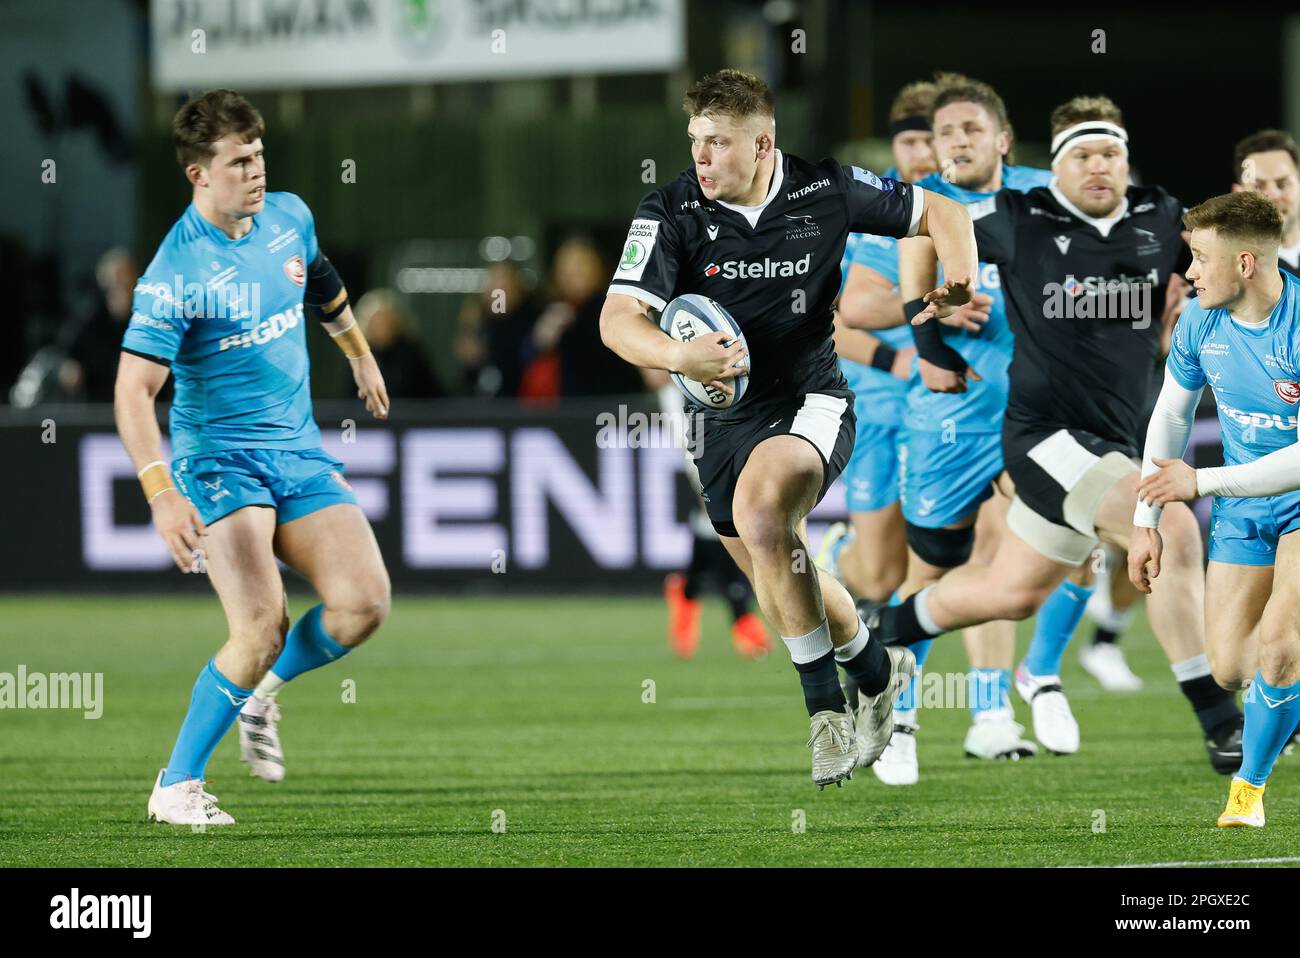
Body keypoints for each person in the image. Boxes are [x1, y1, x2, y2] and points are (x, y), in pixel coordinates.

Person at [600, 69, 978, 788]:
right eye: (695, 142)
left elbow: (944, 214)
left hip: (811, 400)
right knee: (784, 573)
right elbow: (617, 321)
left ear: (763, 143)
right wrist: (678, 353)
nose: (701, 158)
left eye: (717, 143)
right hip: (717, 421)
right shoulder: (671, 209)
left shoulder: (826, 190)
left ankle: (823, 712)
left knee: (766, 510)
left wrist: (957, 277)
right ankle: (873, 669)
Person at [872, 95, 1244, 773]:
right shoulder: (1019, 217)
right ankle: (1220, 719)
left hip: (1119, 440)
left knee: (1009, 594)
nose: (1099, 166)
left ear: (1127, 163)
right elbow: (926, 228)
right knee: (1170, 525)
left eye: (1111, 154)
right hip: (1045, 438)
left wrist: (1189, 313)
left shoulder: (1159, 215)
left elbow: (1225, 271)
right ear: (1057, 166)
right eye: (1083, 154)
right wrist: (926, 335)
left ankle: (879, 633)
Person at [116, 89, 392, 825]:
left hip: (295, 452)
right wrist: (161, 492)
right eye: (238, 162)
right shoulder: (176, 272)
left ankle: (259, 697)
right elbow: (132, 392)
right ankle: (175, 786)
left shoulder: (288, 217)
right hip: (220, 461)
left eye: (259, 155)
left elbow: (324, 283)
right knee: (261, 623)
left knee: (364, 602)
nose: (256, 172)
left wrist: (359, 354)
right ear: (198, 175)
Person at [1136, 192, 1300, 825]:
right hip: (1242, 511)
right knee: (1231, 668)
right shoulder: (1202, 322)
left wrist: (1202, 483)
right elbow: (1171, 417)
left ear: (1248, 263)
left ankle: (1246, 794)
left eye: (1200, 257)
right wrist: (1145, 522)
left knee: (1280, 648)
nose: (1189, 273)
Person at [349, 289, 442, 399]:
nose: (381, 329)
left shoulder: (410, 353)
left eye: (385, 323)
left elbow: (431, 393)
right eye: (376, 324)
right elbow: (349, 398)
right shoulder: (358, 356)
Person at [1232, 130, 1300, 277]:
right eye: (1258, 186)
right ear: (1239, 194)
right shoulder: (1228, 273)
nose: (1273, 196)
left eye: (1282, 184)